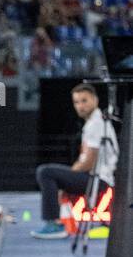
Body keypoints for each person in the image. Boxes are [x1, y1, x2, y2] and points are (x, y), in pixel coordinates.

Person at [32, 83, 118, 239]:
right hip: (96, 178)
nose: (80, 106)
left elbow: (88, 163)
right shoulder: (94, 123)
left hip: (99, 181)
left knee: (45, 172)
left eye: (84, 101)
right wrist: (67, 178)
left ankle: (54, 224)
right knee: (52, 173)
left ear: (95, 100)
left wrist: (68, 177)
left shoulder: (96, 124)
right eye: (76, 102)